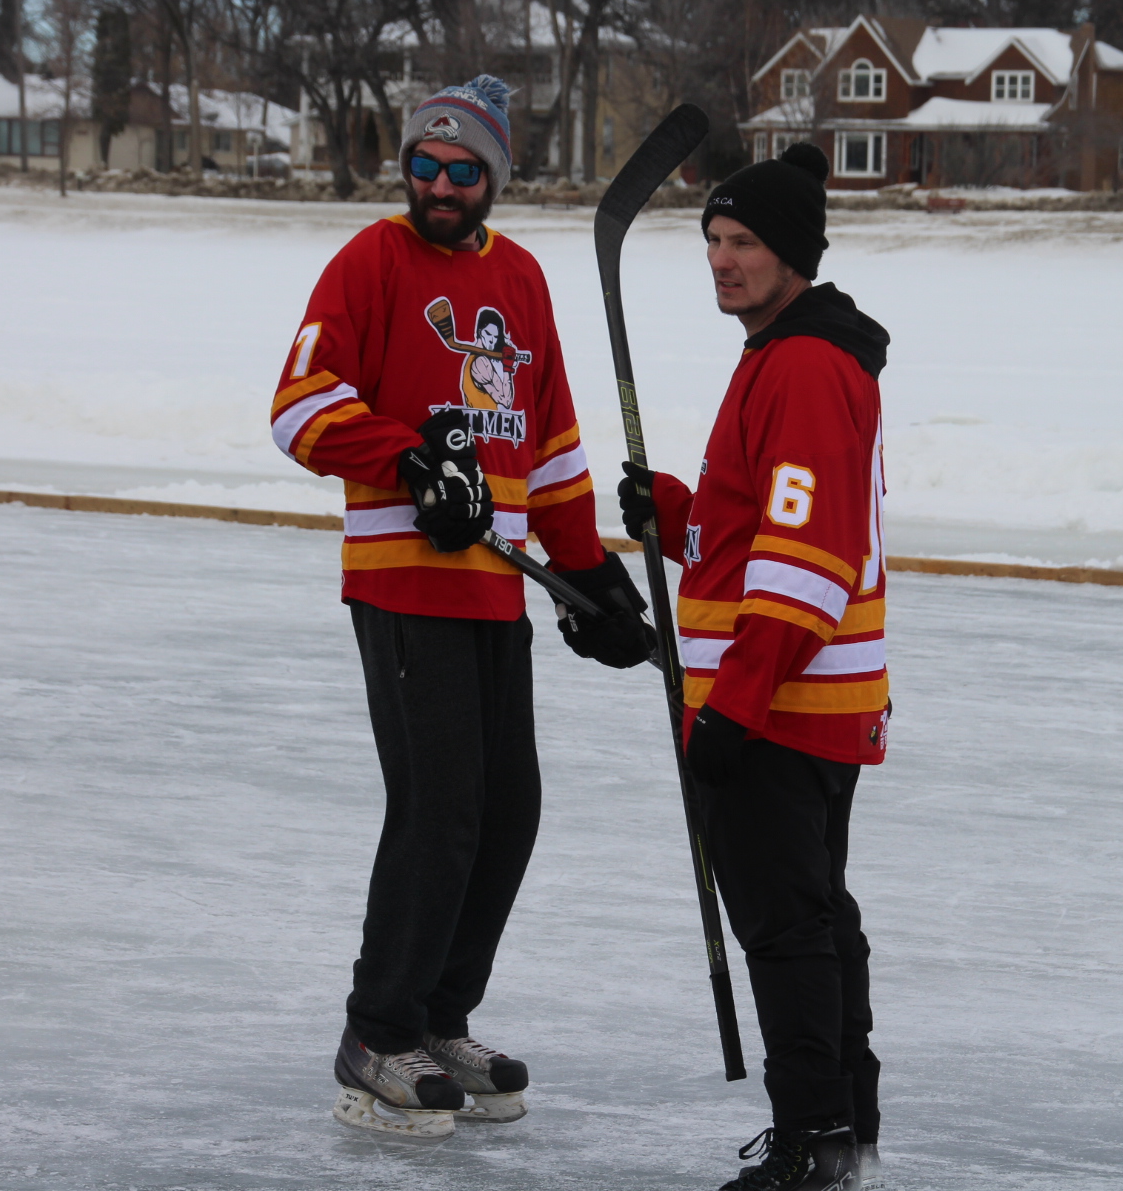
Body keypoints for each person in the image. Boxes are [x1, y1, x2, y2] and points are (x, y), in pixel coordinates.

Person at [271, 73, 652, 1143]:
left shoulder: (522, 280)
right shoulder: (370, 262)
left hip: (497, 589)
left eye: (462, 169)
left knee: (508, 809)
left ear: (494, 177)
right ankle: (374, 1029)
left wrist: (596, 582)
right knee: (438, 808)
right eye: (425, 165)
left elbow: (555, 447)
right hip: (402, 585)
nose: (439, 184)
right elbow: (298, 406)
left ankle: (439, 1016)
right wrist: (404, 455)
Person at [618, 143, 890, 1191]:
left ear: (795, 255)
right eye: (715, 242)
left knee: (786, 925)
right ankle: (841, 1127)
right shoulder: (784, 354)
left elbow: (807, 568)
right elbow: (766, 534)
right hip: (800, 698)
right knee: (815, 912)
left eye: (746, 244)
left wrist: (727, 712)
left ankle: (814, 1138)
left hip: (779, 702)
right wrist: (683, 516)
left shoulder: (808, 366)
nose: (723, 262)